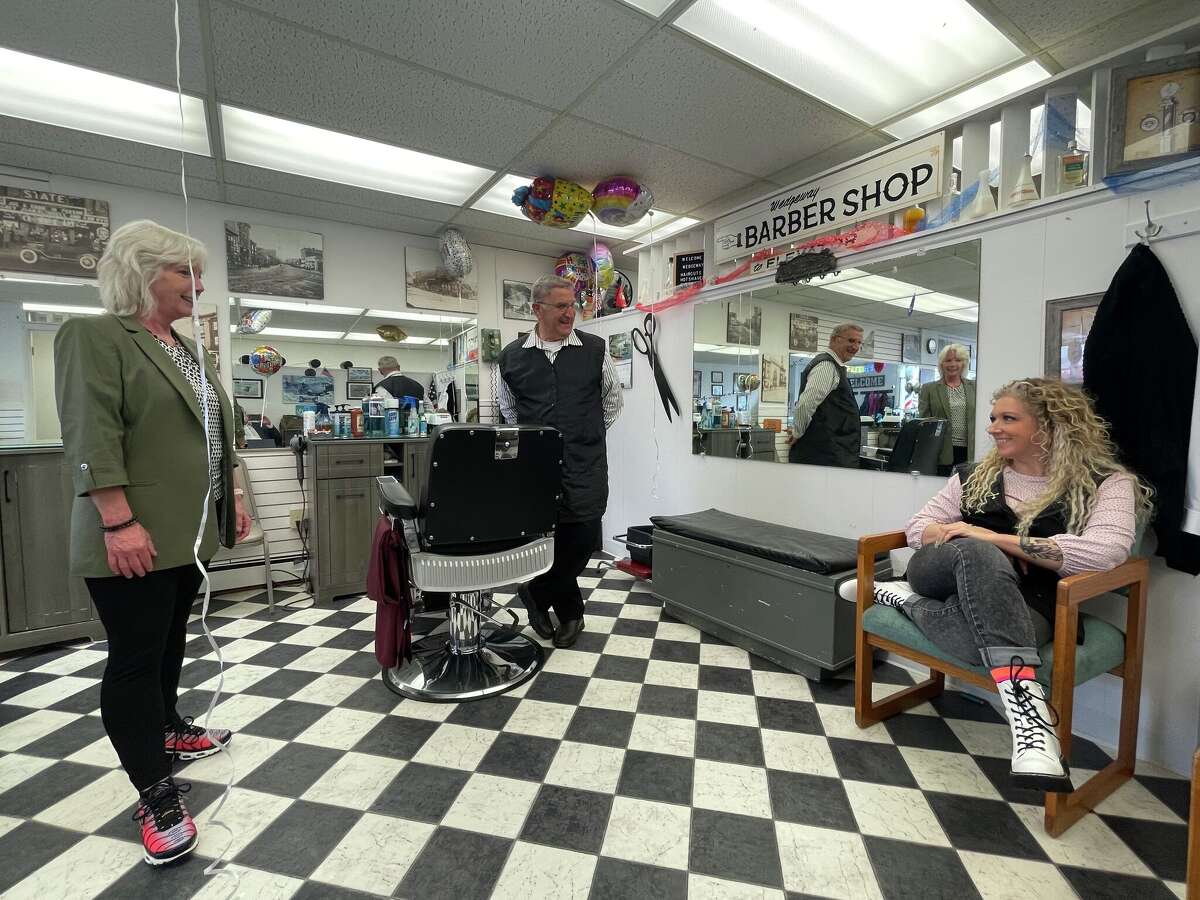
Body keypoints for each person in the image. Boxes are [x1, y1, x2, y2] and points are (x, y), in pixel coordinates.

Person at [54, 220, 253, 866]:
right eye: (183, 273)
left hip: (185, 534)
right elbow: (92, 434)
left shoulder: (181, 348)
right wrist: (116, 519)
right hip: (133, 535)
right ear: (143, 272)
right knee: (134, 661)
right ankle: (154, 790)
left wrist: (235, 495)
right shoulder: (96, 336)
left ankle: (168, 726)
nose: (197, 285)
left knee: (170, 642)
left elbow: (213, 431)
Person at [862, 378, 1150, 791]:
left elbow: (1106, 552)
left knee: (979, 631)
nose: (994, 427)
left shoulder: (1108, 483)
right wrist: (978, 542)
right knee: (975, 552)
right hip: (939, 572)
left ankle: (903, 600)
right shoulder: (974, 475)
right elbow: (917, 529)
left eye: (1008, 418)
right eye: (994, 418)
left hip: (1026, 601)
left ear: (1052, 426)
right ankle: (1029, 715)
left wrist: (993, 538)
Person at [497, 275, 623, 648]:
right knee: (547, 542)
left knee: (582, 538)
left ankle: (537, 592)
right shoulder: (511, 357)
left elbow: (612, 403)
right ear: (537, 310)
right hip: (536, 469)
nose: (571, 313)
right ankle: (571, 615)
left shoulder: (595, 349)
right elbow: (508, 409)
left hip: (585, 463)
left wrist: (585, 435)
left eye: (574, 305)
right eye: (562, 306)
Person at [788, 323, 863, 467]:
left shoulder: (834, 366)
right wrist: (797, 433)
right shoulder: (827, 366)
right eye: (851, 341)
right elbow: (805, 404)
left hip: (831, 454)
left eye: (859, 342)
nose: (855, 347)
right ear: (836, 339)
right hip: (826, 456)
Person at [919, 344, 977, 475]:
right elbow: (925, 423)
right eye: (948, 360)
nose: (953, 364)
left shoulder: (975, 387)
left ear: (964, 363)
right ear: (941, 364)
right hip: (941, 452)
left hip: (969, 451)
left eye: (958, 360)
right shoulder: (929, 389)